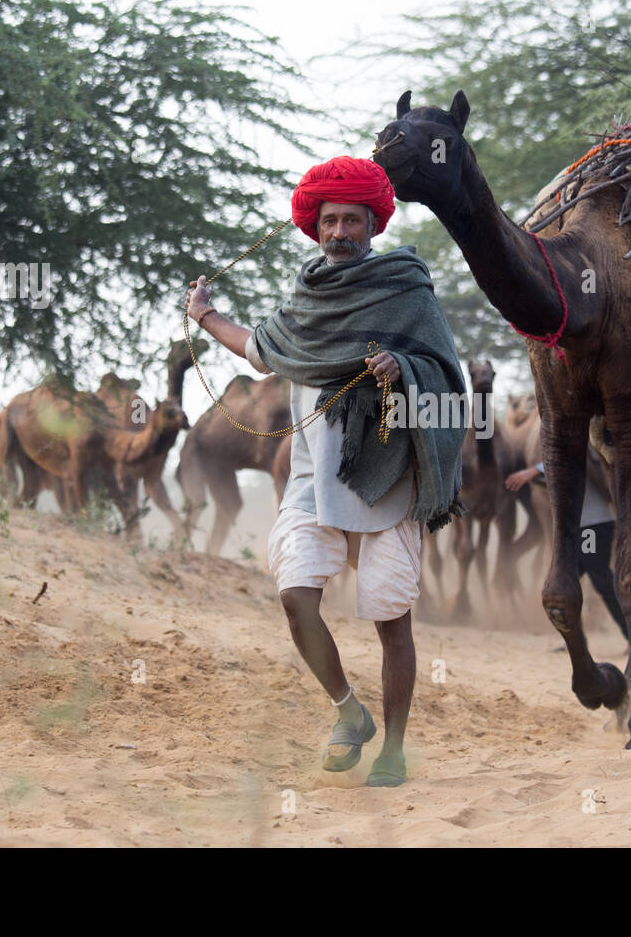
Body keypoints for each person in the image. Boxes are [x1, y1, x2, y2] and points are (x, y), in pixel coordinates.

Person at [186, 156, 466, 787]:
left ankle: (393, 750)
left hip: (385, 470)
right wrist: (203, 314)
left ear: (374, 225)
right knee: (294, 597)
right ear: (315, 225)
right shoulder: (308, 293)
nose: (340, 231)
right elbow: (263, 350)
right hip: (313, 474)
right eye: (330, 220)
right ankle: (349, 712)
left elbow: (444, 371)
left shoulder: (405, 288)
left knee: (391, 618)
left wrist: (404, 366)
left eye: (352, 220)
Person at [504, 446, 629, 639]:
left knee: (601, 579)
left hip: (593, 526)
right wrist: (535, 476)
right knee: (564, 583)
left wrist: (533, 470)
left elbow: (571, 458)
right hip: (578, 528)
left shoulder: (587, 448)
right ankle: (576, 642)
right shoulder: (563, 460)